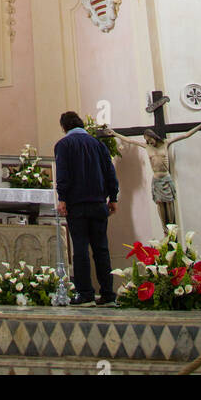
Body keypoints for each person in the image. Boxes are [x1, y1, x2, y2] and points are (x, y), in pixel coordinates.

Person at [54, 110, 119, 306]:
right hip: (99, 203)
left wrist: (62, 198)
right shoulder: (98, 144)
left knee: (80, 249)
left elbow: (63, 173)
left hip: (77, 204)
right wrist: (113, 197)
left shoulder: (64, 145)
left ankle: (85, 294)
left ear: (64, 127)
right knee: (101, 249)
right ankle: (107, 293)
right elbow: (110, 171)